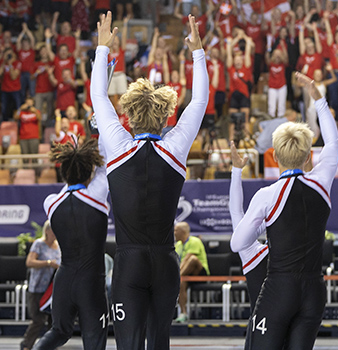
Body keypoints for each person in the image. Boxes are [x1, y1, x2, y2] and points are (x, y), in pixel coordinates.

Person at [91, 12, 206, 349]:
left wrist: (101, 49)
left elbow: (99, 97)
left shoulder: (117, 145)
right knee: (160, 344)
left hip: (128, 263)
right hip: (165, 262)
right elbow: (199, 100)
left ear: (129, 114)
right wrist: (198, 52)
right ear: (166, 114)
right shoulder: (175, 149)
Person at [230, 72, 338, 349]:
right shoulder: (321, 182)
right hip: (314, 290)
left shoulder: (267, 196)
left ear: (274, 156)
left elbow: (237, 243)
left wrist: (266, 227)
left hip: (280, 289)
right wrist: (317, 98)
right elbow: (334, 141)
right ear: (308, 155)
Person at [34, 139, 110, 350]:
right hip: (91, 283)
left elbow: (69, 188)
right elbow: (104, 169)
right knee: (94, 340)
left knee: (58, 332)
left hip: (64, 280)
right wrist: (99, 134)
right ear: (89, 173)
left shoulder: (51, 202)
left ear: (64, 173)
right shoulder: (96, 194)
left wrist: (74, 164)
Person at [228, 141, 269, 312]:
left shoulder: (291, 250)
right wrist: (236, 171)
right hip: (262, 326)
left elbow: (236, 212)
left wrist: (237, 171)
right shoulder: (251, 252)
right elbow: (236, 212)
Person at [22, 221, 61, 350]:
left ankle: (50, 346)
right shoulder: (39, 244)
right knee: (38, 320)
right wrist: (48, 263)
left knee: (52, 321)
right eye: (53, 231)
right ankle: (27, 346)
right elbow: (30, 262)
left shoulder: (58, 246)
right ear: (47, 231)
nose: (55, 234)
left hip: (51, 290)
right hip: (38, 288)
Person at [174, 221, 209, 323]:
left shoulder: (194, 241)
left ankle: (176, 278)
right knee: (181, 283)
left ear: (183, 231)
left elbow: (187, 260)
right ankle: (183, 313)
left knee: (192, 259)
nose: (174, 232)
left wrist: (177, 274)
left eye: (176, 230)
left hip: (199, 273)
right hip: (185, 275)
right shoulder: (178, 245)